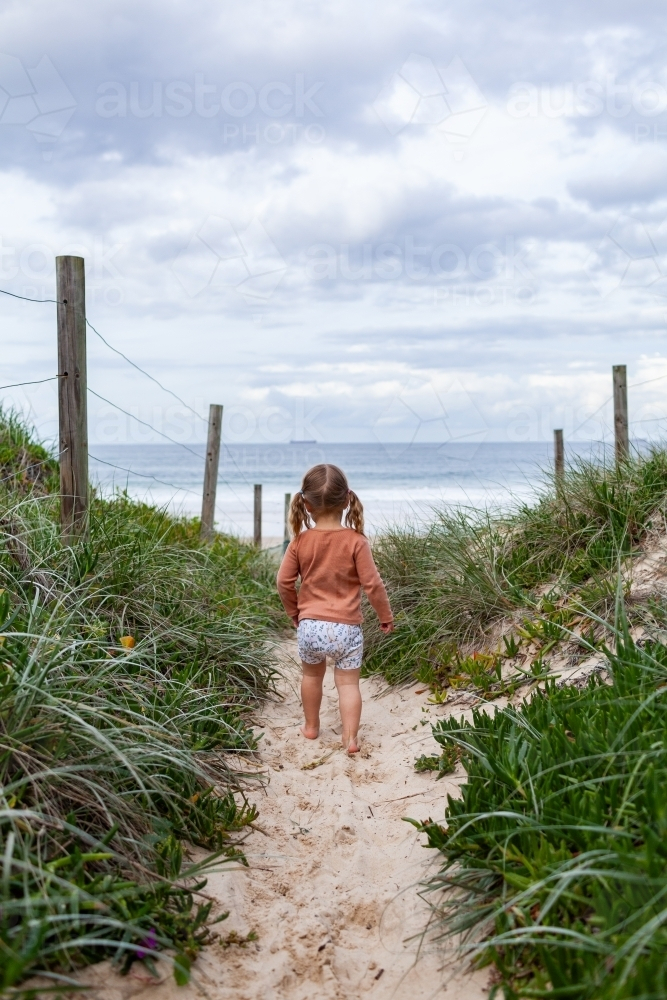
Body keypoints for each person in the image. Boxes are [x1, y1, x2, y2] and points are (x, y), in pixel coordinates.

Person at [276, 463, 394, 755]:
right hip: (347, 628)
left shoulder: (299, 542)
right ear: (346, 500)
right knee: (348, 684)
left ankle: (311, 727)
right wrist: (385, 616)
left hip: (310, 627)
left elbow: (283, 582)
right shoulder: (356, 541)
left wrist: (295, 613)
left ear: (305, 504)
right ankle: (350, 739)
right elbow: (373, 585)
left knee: (312, 677)